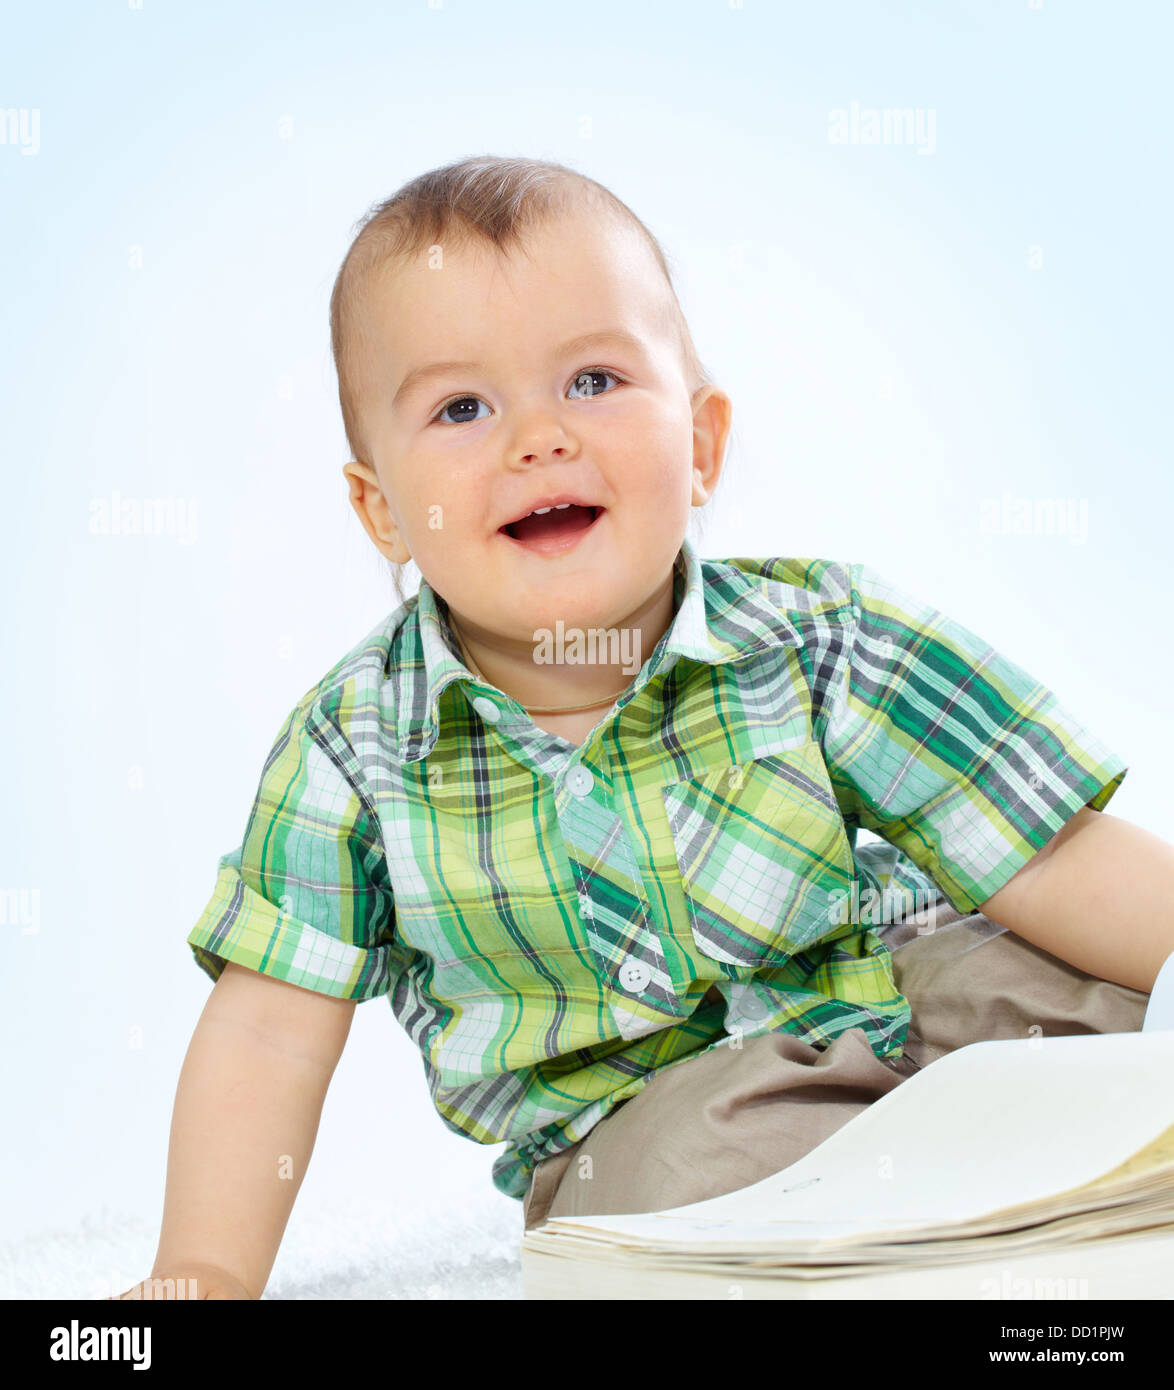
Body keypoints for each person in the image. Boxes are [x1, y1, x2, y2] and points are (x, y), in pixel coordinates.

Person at [114, 154, 1171, 1299]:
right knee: (678, 1177)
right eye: (462, 407)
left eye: (594, 380)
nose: (538, 439)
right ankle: (951, 1206)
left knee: (1081, 983)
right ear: (382, 511)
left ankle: (1048, 1169)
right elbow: (269, 1027)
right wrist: (205, 1271)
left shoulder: (822, 638)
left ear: (702, 443)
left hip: (898, 1005)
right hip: (650, 1124)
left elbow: (1043, 854)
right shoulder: (356, 748)